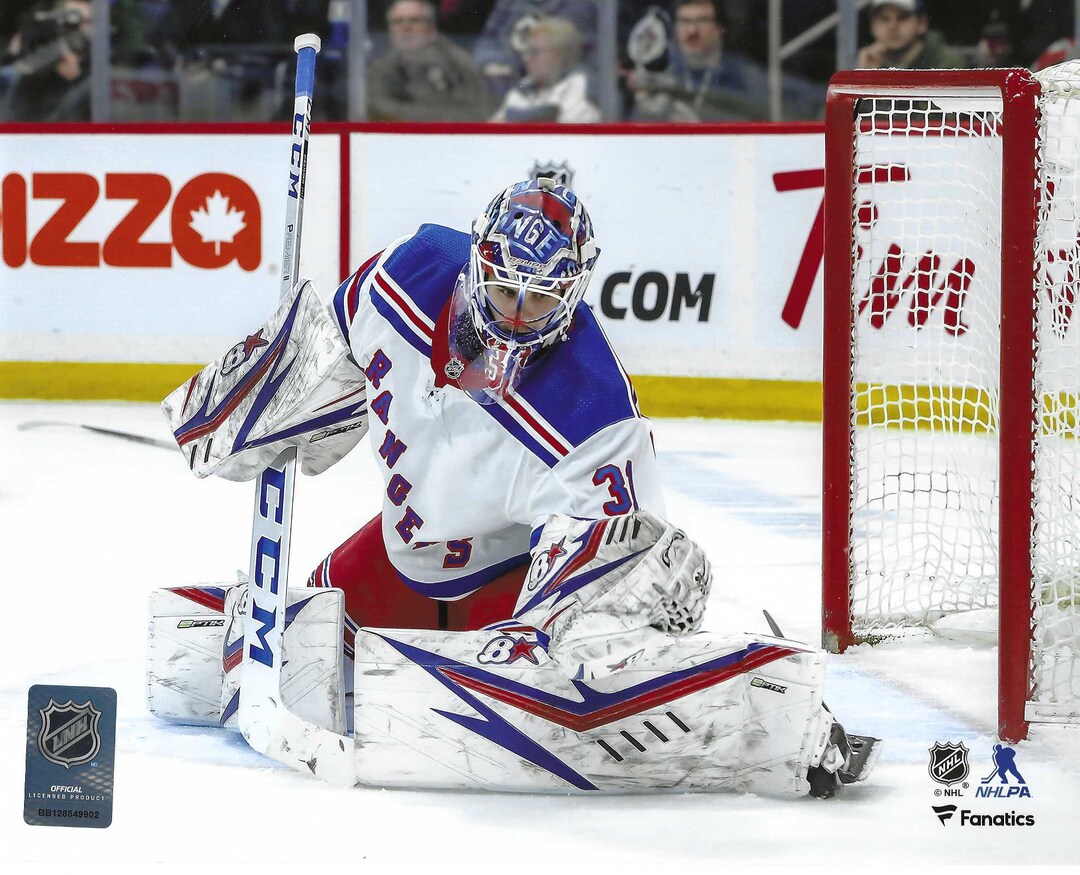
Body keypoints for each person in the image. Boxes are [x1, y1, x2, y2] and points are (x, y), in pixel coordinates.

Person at [155, 177, 878, 797]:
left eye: (539, 301)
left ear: (573, 294)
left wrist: (555, 643)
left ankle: (760, 702)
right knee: (267, 643)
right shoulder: (404, 277)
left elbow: (614, 567)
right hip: (402, 554)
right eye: (502, 288)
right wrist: (253, 403)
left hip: (506, 588)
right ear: (475, 264)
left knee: (589, 653)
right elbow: (321, 358)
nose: (514, 315)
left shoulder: (592, 413)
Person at [624, 0, 774, 122]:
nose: (691, 32)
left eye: (701, 21)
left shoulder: (746, 77)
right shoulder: (661, 78)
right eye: (684, 21)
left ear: (719, 28)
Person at [368, 0, 490, 121]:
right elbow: (378, 106)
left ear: (432, 25)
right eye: (397, 22)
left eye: (415, 20)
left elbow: (477, 110)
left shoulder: (457, 60)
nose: (406, 27)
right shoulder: (380, 63)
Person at [472, 0, 596, 101]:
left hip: (554, 84)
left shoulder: (580, 6)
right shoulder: (508, 3)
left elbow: (582, 52)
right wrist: (493, 61)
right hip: (507, 77)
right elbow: (488, 38)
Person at [490, 15, 599, 122]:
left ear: (559, 56)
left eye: (534, 52)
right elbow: (492, 131)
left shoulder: (580, 86)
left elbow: (570, 134)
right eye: (526, 52)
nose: (526, 59)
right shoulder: (523, 87)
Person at [2, 0, 93, 122]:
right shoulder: (25, 73)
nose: (82, 29)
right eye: (71, 22)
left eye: (87, 22)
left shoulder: (94, 76)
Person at [855, 0, 965, 71]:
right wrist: (865, 76)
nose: (893, 26)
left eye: (902, 17)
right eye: (884, 19)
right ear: (873, 26)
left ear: (921, 23)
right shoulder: (870, 59)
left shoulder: (947, 65)